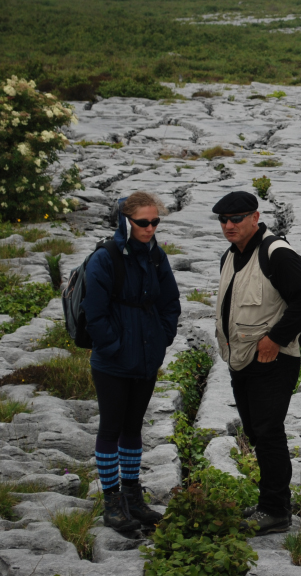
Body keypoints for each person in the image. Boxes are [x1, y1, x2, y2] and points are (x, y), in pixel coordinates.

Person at [212, 191, 301, 535]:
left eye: (236, 219)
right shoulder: (230, 255)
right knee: (257, 431)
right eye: (223, 220)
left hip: (272, 360)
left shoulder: (277, 253)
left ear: (255, 218)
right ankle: (270, 502)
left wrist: (276, 339)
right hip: (241, 359)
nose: (229, 225)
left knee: (269, 432)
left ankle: (275, 511)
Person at [83, 191, 181, 532]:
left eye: (155, 222)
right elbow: (94, 314)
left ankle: (132, 496)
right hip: (112, 361)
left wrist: (163, 338)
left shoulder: (156, 255)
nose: (150, 228)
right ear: (126, 222)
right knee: (111, 427)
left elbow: (170, 302)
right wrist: (114, 347)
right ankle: (112, 502)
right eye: (143, 222)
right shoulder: (105, 258)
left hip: (146, 357)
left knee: (133, 426)